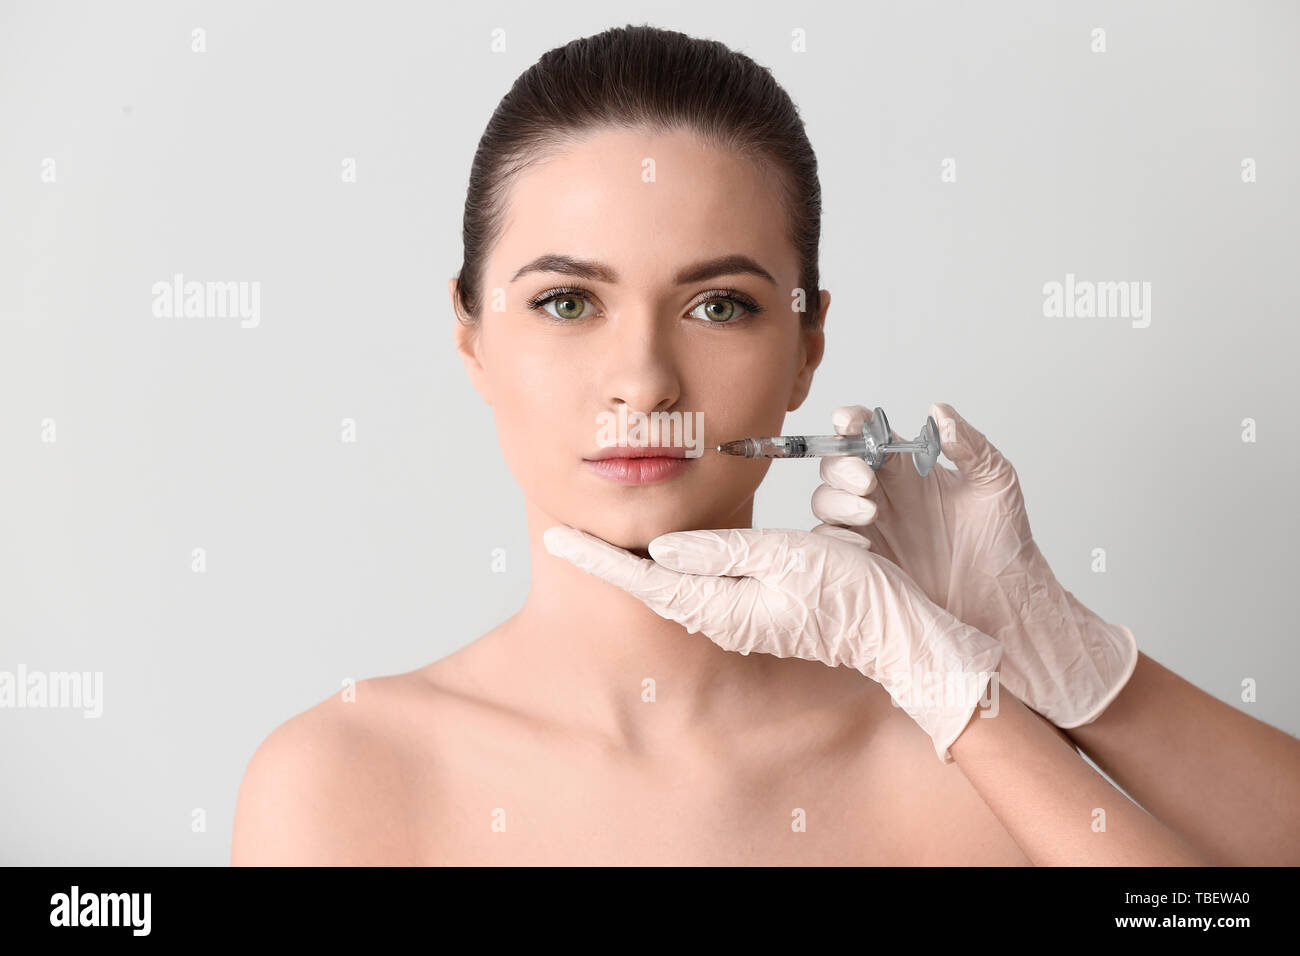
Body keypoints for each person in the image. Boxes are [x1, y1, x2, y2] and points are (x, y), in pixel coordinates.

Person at [231, 24, 1299, 866]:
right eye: (565, 301)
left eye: (719, 305)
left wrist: (1061, 665)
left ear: (806, 344)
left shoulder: (968, 752)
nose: (643, 379)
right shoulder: (344, 778)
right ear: (470, 337)